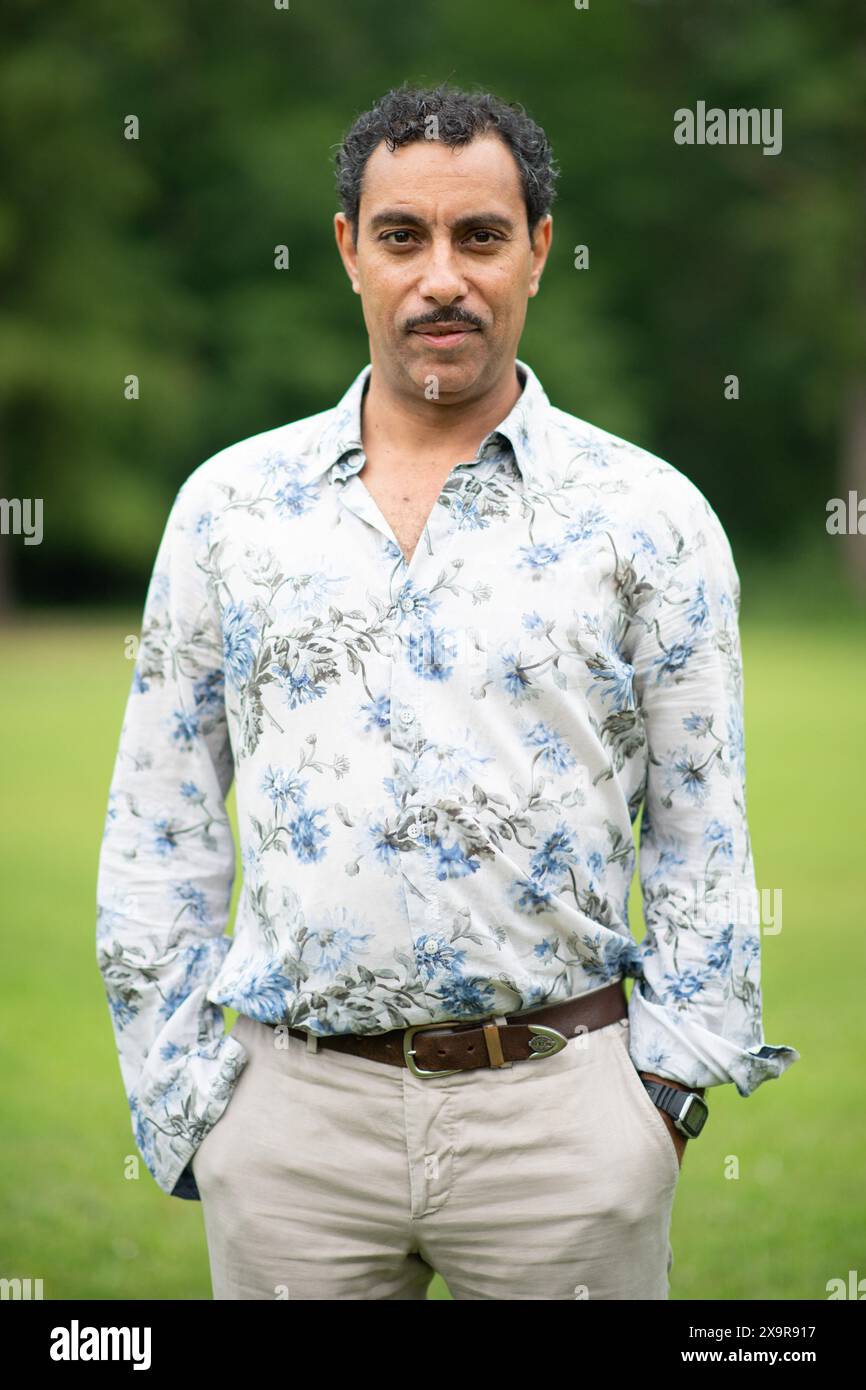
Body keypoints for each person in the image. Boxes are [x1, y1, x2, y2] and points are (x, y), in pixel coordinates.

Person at [96, 83, 799, 1300]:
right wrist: (182, 1097)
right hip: (290, 1125)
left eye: (478, 236)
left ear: (536, 248)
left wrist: (663, 1097)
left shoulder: (648, 517)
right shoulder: (230, 509)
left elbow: (698, 829)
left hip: (565, 1127)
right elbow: (157, 824)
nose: (440, 278)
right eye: (401, 236)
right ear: (347, 252)